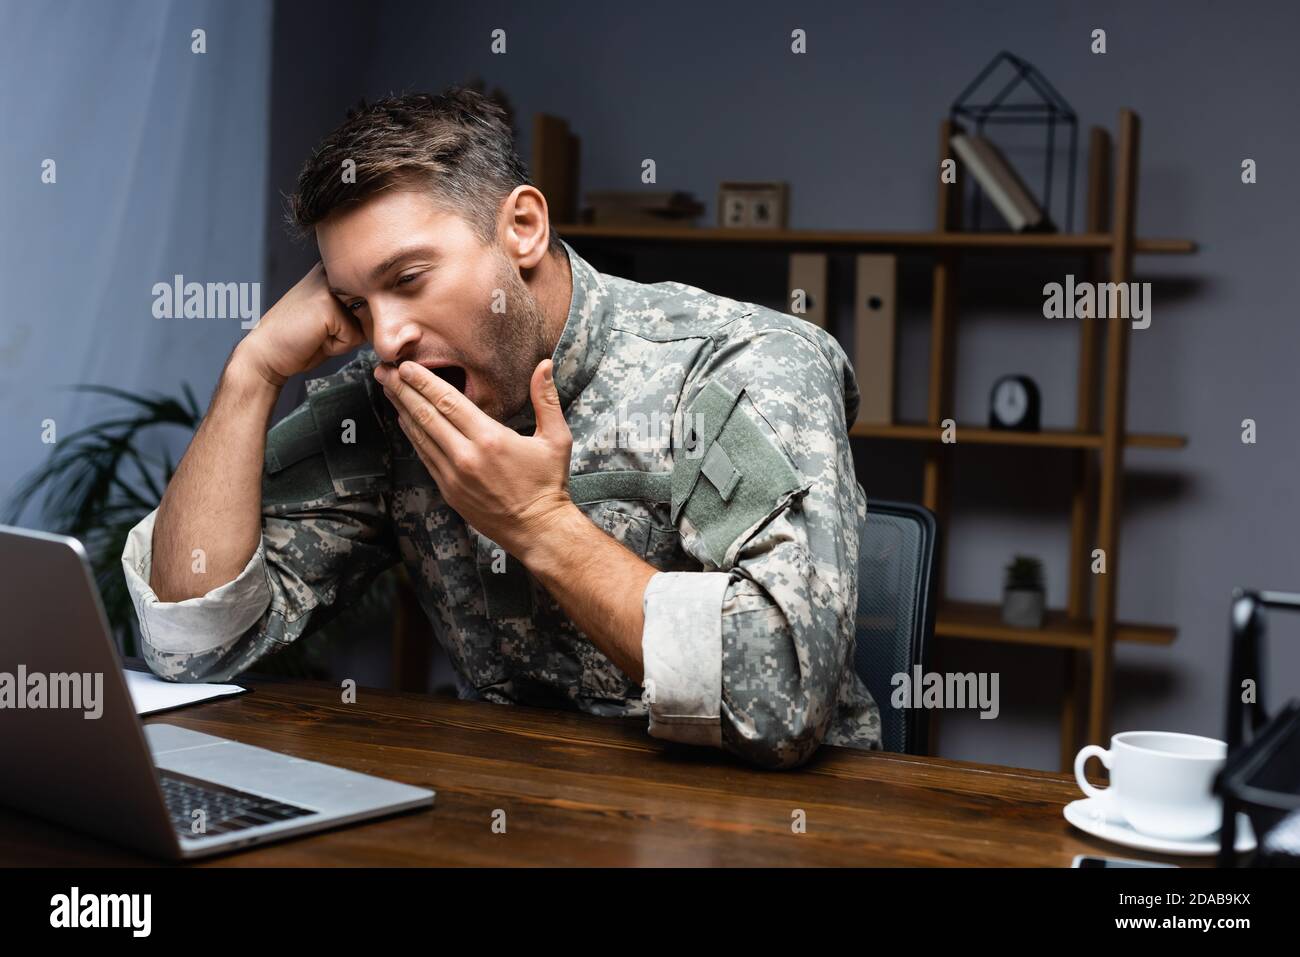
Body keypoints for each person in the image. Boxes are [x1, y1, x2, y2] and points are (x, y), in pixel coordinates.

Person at [121, 88, 880, 770]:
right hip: (518, 813)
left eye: (408, 280)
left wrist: (537, 524)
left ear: (521, 227)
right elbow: (192, 643)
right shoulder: (393, 396)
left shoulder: (740, 365)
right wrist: (252, 370)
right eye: (356, 304)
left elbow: (779, 698)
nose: (385, 338)